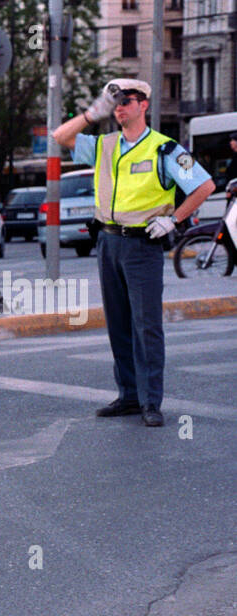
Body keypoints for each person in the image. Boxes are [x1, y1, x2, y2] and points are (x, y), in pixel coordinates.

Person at [53, 79, 214, 428]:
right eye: (115, 103)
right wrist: (90, 114)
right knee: (119, 325)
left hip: (143, 245)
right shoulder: (105, 145)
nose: (119, 108)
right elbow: (60, 137)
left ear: (143, 104)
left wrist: (174, 219)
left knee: (147, 326)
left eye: (126, 101)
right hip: (108, 242)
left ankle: (150, 401)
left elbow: (205, 186)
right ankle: (128, 395)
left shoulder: (165, 149)